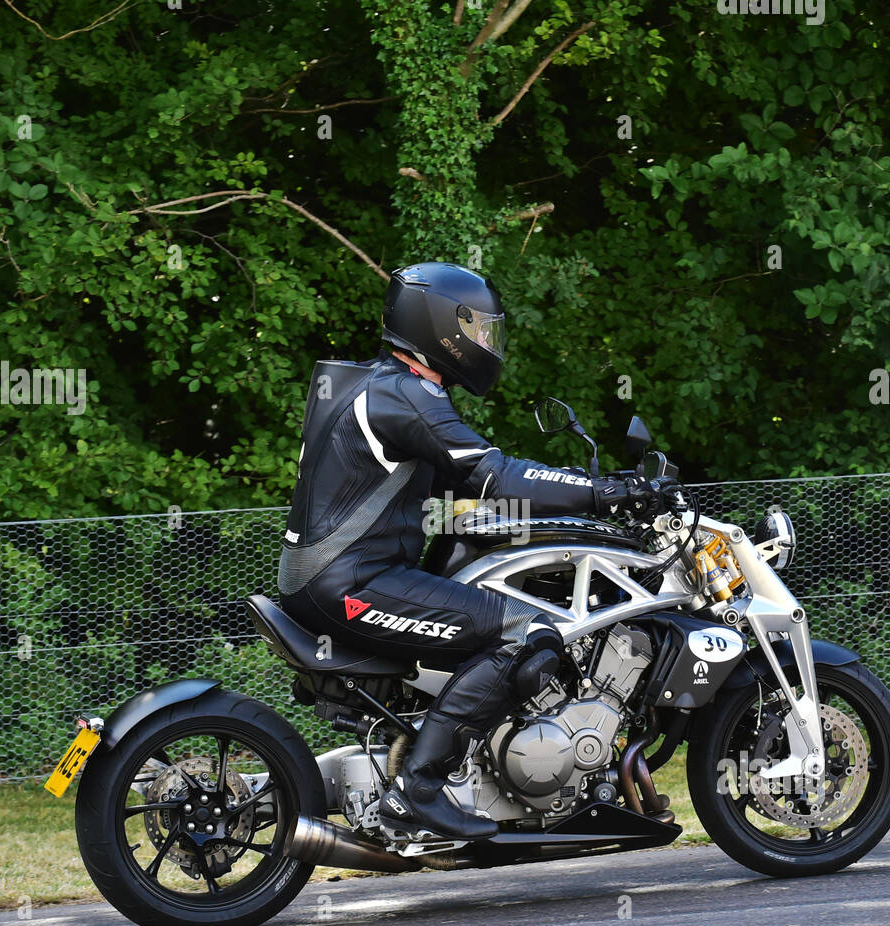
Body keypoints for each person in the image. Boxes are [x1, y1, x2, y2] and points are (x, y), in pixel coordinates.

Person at [278, 262, 655, 842]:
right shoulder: (405, 393)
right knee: (524, 632)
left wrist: (558, 501)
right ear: (439, 327)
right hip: (350, 585)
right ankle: (420, 790)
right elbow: (492, 475)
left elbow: (456, 483)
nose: (485, 342)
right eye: (477, 329)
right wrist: (602, 491)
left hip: (339, 578)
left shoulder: (379, 385)